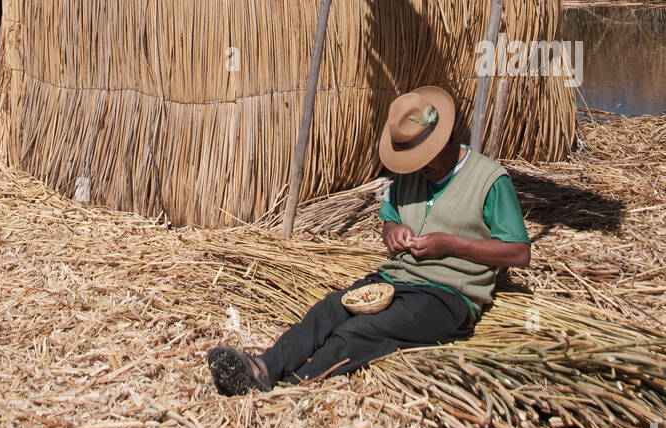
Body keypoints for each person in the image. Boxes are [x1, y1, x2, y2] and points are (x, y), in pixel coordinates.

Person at [207, 85, 530, 395]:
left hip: (447, 297)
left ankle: (289, 384)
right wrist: (393, 232)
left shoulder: (489, 180)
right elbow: (389, 217)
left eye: (423, 160)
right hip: (395, 278)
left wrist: (450, 244)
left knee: (363, 331)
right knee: (331, 309)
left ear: (444, 142)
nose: (417, 170)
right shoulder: (410, 174)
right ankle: (263, 367)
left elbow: (518, 253)